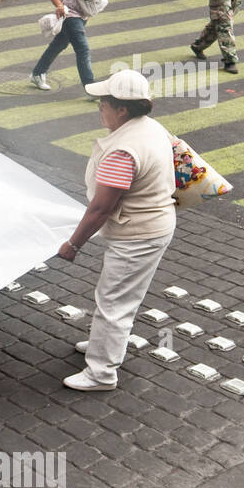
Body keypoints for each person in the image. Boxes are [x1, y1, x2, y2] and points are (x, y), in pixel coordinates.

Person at [58, 69, 175, 393]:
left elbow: (101, 208)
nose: (99, 107)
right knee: (121, 297)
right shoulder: (150, 128)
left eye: (103, 103)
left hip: (136, 235)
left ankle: (101, 373)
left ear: (122, 108)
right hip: (154, 225)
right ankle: (105, 345)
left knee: (114, 302)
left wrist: (74, 244)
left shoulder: (124, 150)